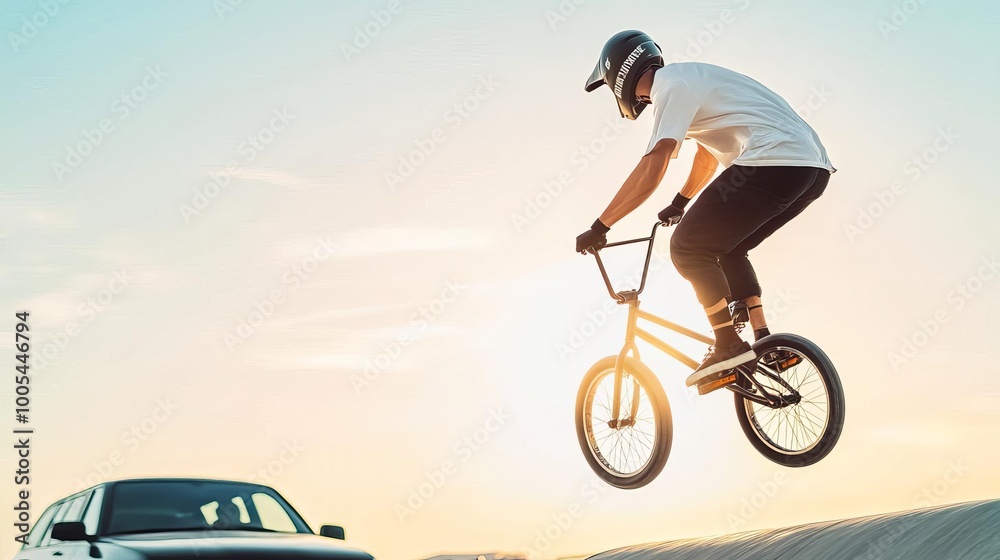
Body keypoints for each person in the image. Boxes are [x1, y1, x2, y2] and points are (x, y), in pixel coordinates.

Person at [575, 30, 834, 391]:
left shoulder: (672, 86)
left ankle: (727, 345)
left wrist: (601, 225)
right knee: (728, 247)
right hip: (811, 171)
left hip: (773, 161)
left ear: (621, 74)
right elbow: (709, 152)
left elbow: (654, 164)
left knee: (686, 249)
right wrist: (681, 201)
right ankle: (766, 341)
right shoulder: (692, 80)